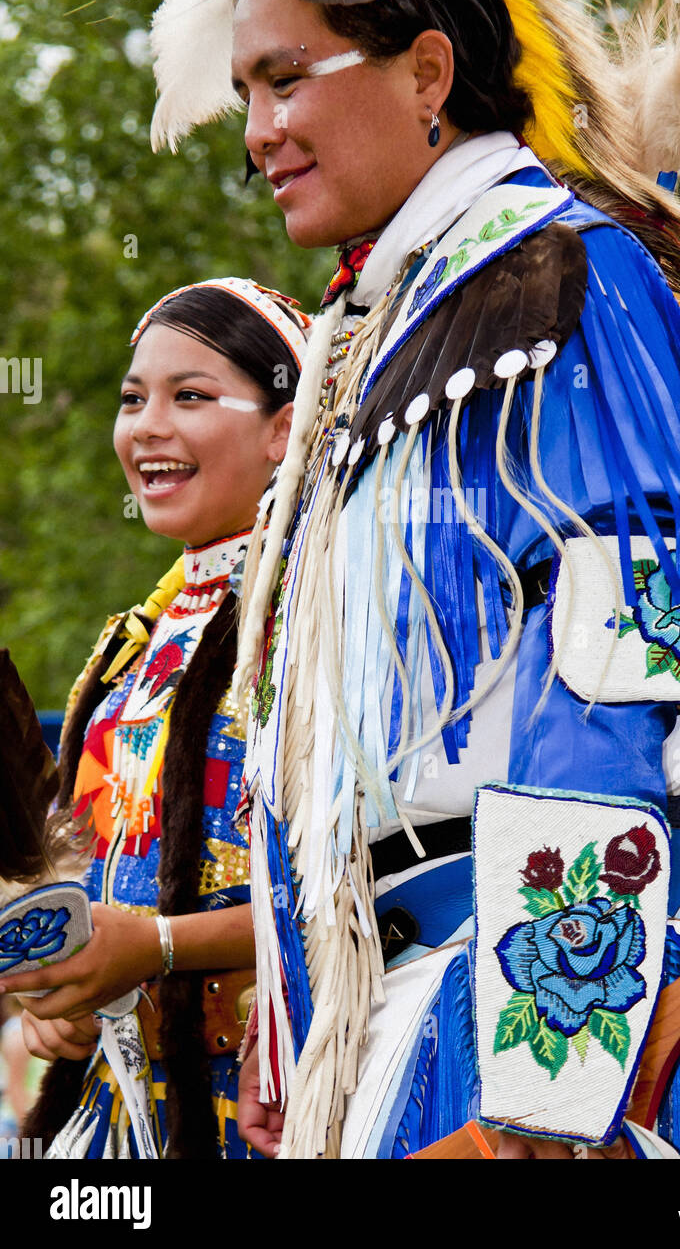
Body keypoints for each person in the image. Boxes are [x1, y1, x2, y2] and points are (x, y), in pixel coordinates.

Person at [52, 0, 680, 1160]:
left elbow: (605, 664)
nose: (255, 131)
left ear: (426, 74)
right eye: (245, 87)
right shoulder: (382, 334)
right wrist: (301, 1025)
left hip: (514, 1030)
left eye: (288, 77)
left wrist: (547, 1097)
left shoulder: (554, 281)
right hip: (391, 1025)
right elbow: (339, 754)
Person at [0, 279, 307, 1159]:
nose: (147, 426)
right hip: (122, 1118)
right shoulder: (127, 650)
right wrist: (56, 1002)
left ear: (283, 429)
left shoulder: (325, 626)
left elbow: (360, 898)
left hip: (270, 1106)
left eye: (191, 397)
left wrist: (159, 947)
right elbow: (85, 878)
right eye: (133, 399)